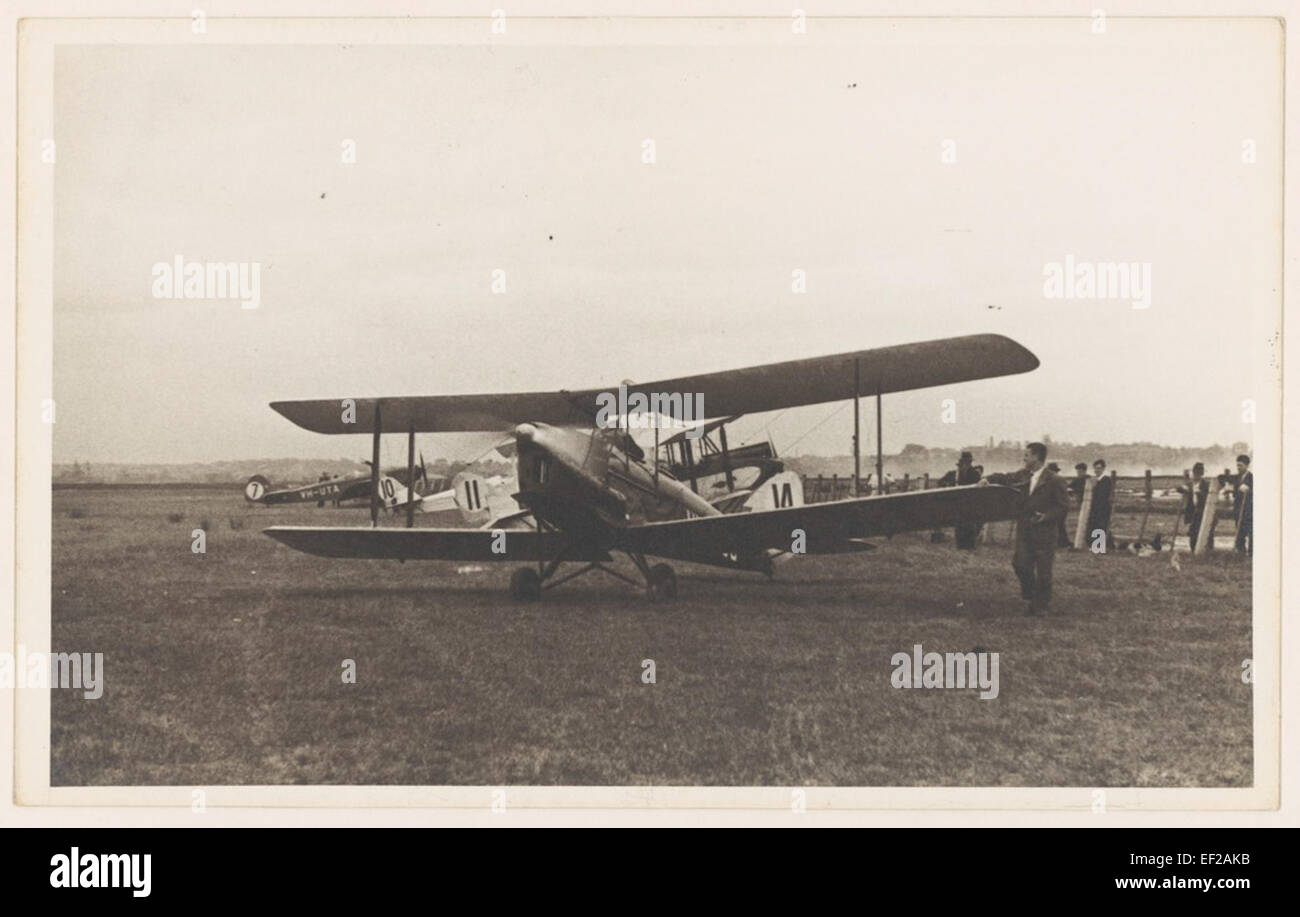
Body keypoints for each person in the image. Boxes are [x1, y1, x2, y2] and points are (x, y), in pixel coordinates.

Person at [981, 442, 1070, 616]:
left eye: (1026, 455)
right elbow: (1005, 478)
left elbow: (1063, 507)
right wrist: (988, 479)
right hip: (1025, 529)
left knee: (1044, 571)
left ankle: (1040, 607)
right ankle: (1031, 596)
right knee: (1020, 564)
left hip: (1045, 532)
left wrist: (1046, 516)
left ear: (1036, 457)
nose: (1024, 458)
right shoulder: (1022, 475)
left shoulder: (1055, 480)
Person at [1179, 463, 1211, 553]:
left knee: (1204, 532)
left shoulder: (1206, 484)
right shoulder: (1190, 484)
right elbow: (1180, 489)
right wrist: (1183, 488)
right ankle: (1193, 551)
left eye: (1199, 473)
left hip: (1203, 512)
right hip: (1192, 511)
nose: (1196, 475)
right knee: (1192, 532)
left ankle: (1205, 551)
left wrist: (1199, 492)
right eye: (1195, 473)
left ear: (1202, 474)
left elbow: (1208, 498)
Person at [954, 451, 982, 549]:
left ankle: (968, 545)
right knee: (960, 524)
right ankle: (961, 545)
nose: (964, 464)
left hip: (971, 503)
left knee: (969, 525)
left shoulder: (974, 474)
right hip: (960, 502)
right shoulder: (957, 473)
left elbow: (978, 489)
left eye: (966, 462)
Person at [1085, 459, 1114, 553]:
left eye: (1099, 468)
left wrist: (1095, 486)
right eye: (1095, 468)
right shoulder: (1095, 479)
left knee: (1101, 526)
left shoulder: (1106, 480)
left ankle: (1100, 547)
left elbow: (1103, 495)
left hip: (1103, 507)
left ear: (1103, 469)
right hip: (1095, 507)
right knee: (1094, 526)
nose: (1097, 470)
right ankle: (1095, 545)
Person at [1233, 454, 1253, 555]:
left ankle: (1251, 553)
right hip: (1238, 509)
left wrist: (1249, 491)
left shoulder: (1252, 478)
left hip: (1249, 510)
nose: (1238, 468)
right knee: (1239, 531)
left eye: (1240, 465)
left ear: (1247, 465)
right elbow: (1234, 493)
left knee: (1251, 532)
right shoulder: (1236, 478)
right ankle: (1240, 551)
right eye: (1237, 465)